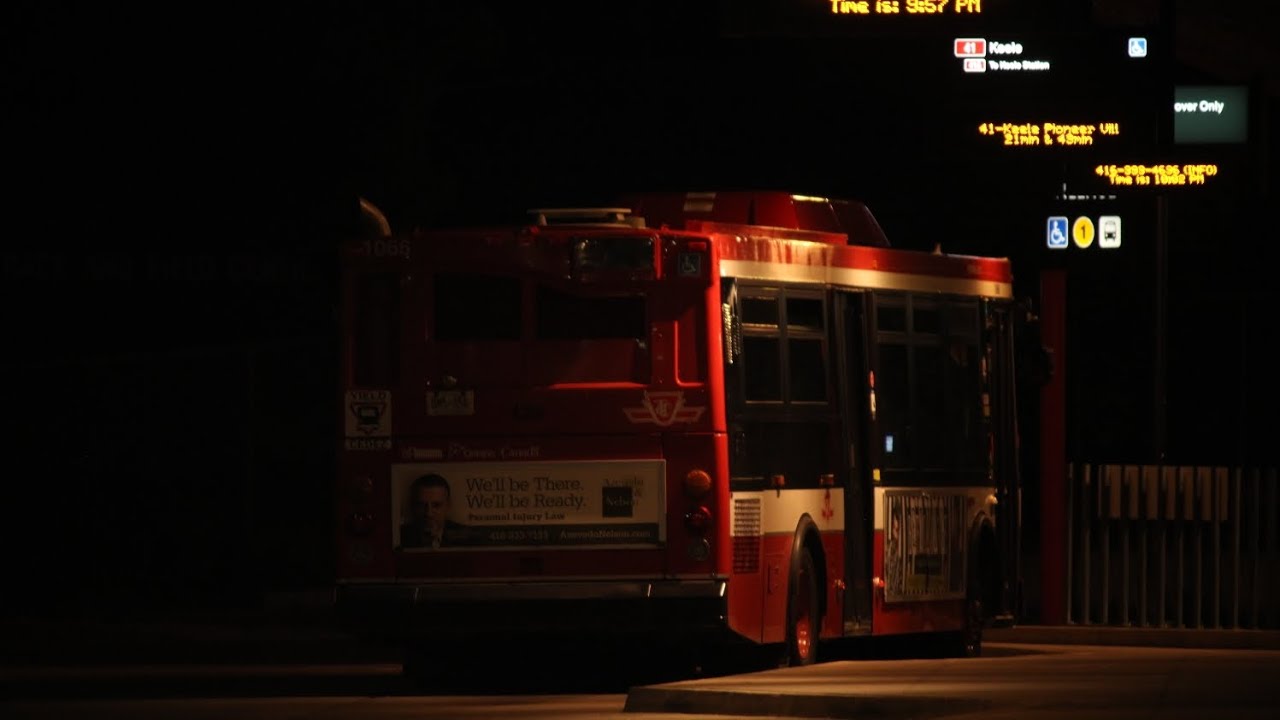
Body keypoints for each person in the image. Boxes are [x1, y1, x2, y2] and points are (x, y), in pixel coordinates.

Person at [400, 473, 464, 549]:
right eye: (421, 505)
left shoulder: (465, 535)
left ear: (448, 505)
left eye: (436, 505)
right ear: (413, 506)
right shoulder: (399, 536)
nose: (428, 513)